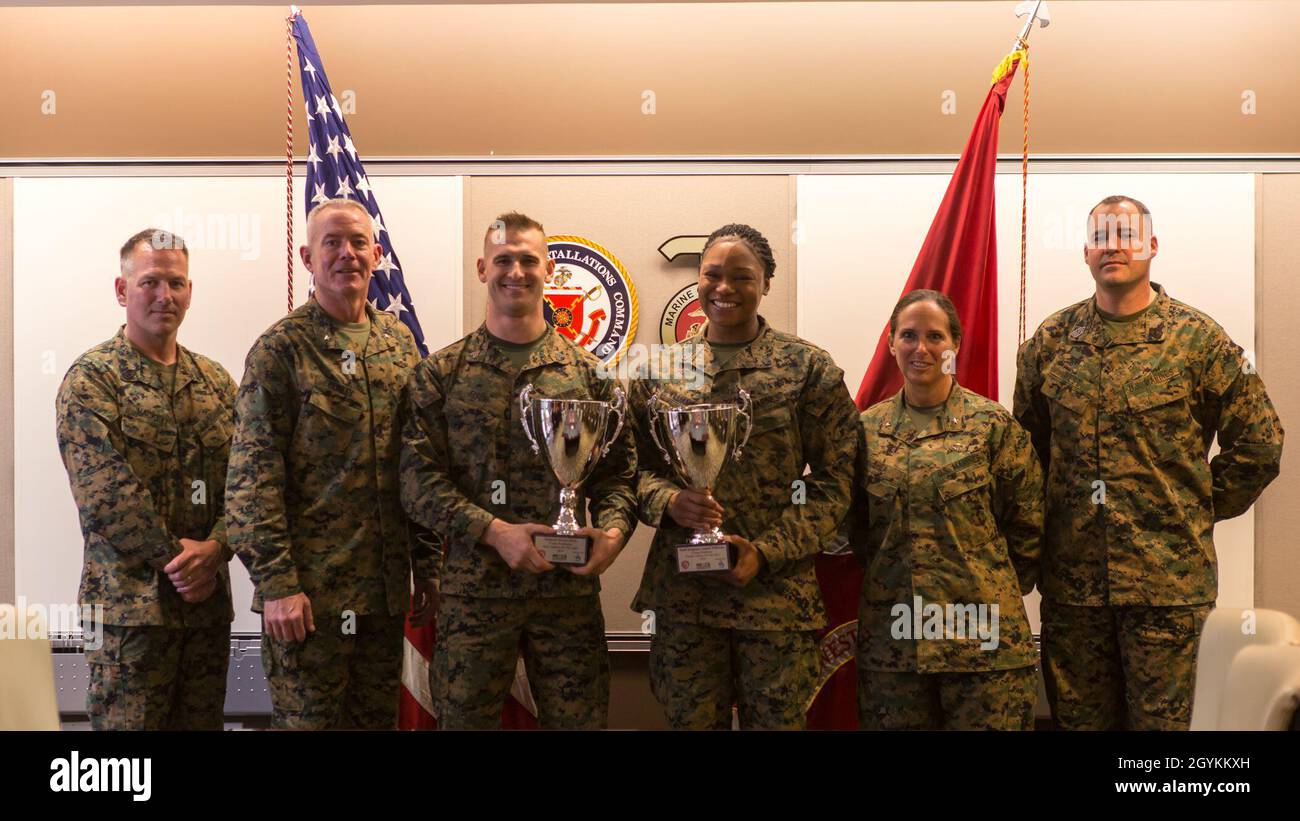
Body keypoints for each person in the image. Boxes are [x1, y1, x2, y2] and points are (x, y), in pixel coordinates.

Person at [1014, 195, 1284, 730]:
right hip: (1074, 592)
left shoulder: (1198, 341)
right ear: (1085, 253)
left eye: (1126, 234)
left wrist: (1192, 509)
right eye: (1100, 236)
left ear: (1152, 246)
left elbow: (1259, 443)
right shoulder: (1049, 343)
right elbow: (1025, 459)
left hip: (1168, 592)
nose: (1113, 245)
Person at [400, 212, 637, 730]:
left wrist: (614, 535)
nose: (516, 271)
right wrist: (495, 532)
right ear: (482, 268)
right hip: (473, 597)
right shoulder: (441, 374)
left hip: (567, 596)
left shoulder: (591, 377)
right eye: (503, 260)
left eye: (529, 260)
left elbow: (619, 476)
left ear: (548, 270)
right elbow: (417, 483)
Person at [629, 223, 859, 730]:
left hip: (775, 600)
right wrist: (667, 501)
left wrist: (768, 551)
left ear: (766, 284)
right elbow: (632, 470)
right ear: (698, 280)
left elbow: (836, 480)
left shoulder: (807, 369)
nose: (725, 288)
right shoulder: (659, 370)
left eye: (742, 276)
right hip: (685, 598)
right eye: (712, 274)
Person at [225, 198, 437, 729]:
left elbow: (418, 464)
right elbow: (252, 478)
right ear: (307, 256)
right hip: (309, 600)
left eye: (358, 242)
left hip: (385, 599)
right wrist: (276, 584)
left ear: (376, 252)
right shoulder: (281, 349)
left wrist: (428, 567)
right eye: (332, 243)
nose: (347, 254)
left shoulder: (398, 343)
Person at [56, 228, 236, 730]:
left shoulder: (217, 383)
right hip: (126, 619)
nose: (164, 296)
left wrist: (218, 547)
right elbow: (105, 494)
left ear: (189, 291)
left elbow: (249, 485)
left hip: (204, 618)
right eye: (150, 282)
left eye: (176, 283)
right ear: (122, 290)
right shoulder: (93, 379)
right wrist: (183, 562)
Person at [854, 289, 1042, 730]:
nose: (921, 349)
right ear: (891, 343)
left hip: (984, 648)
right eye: (909, 336)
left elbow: (1029, 529)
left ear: (955, 345)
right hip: (894, 650)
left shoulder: (993, 427)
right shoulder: (863, 433)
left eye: (935, 337)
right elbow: (855, 529)